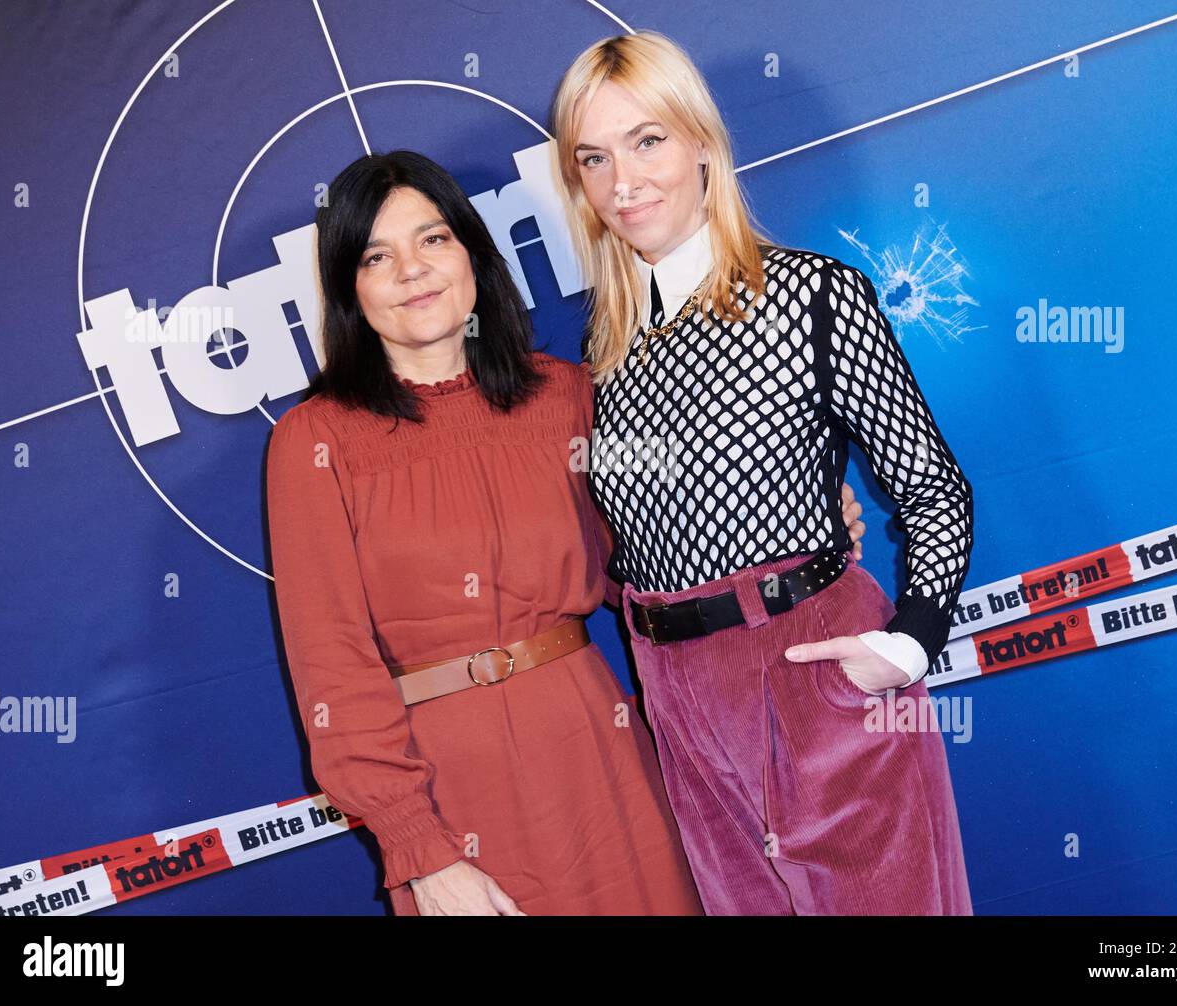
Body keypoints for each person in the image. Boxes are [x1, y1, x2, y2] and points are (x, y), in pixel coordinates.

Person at [264, 149, 867, 915]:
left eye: (433, 239)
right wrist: (421, 850)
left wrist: (795, 521)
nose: (412, 270)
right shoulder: (315, 443)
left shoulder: (568, 396)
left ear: (473, 254)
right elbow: (333, 668)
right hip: (450, 787)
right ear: (349, 288)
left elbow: (665, 553)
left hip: (599, 746)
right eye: (377, 256)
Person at [551, 31, 975, 915]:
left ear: (702, 140)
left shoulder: (816, 295)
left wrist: (906, 645)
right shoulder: (603, 354)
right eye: (594, 157)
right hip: (678, 694)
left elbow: (933, 487)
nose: (622, 181)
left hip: (811, 668)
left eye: (647, 140)